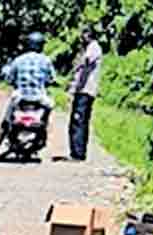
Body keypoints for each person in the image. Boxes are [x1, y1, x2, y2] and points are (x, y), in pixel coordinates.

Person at [0, 32, 56, 157]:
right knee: (49, 117)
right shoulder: (46, 60)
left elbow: (9, 79)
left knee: (5, 123)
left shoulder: (18, 60)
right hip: (40, 98)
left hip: (20, 97)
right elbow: (51, 79)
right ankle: (45, 141)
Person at [67, 28, 103, 161]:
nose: (81, 38)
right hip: (81, 90)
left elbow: (85, 62)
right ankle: (77, 151)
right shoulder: (89, 47)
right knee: (78, 121)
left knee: (79, 121)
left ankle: (78, 153)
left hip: (85, 90)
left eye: (84, 35)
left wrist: (78, 63)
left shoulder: (93, 47)